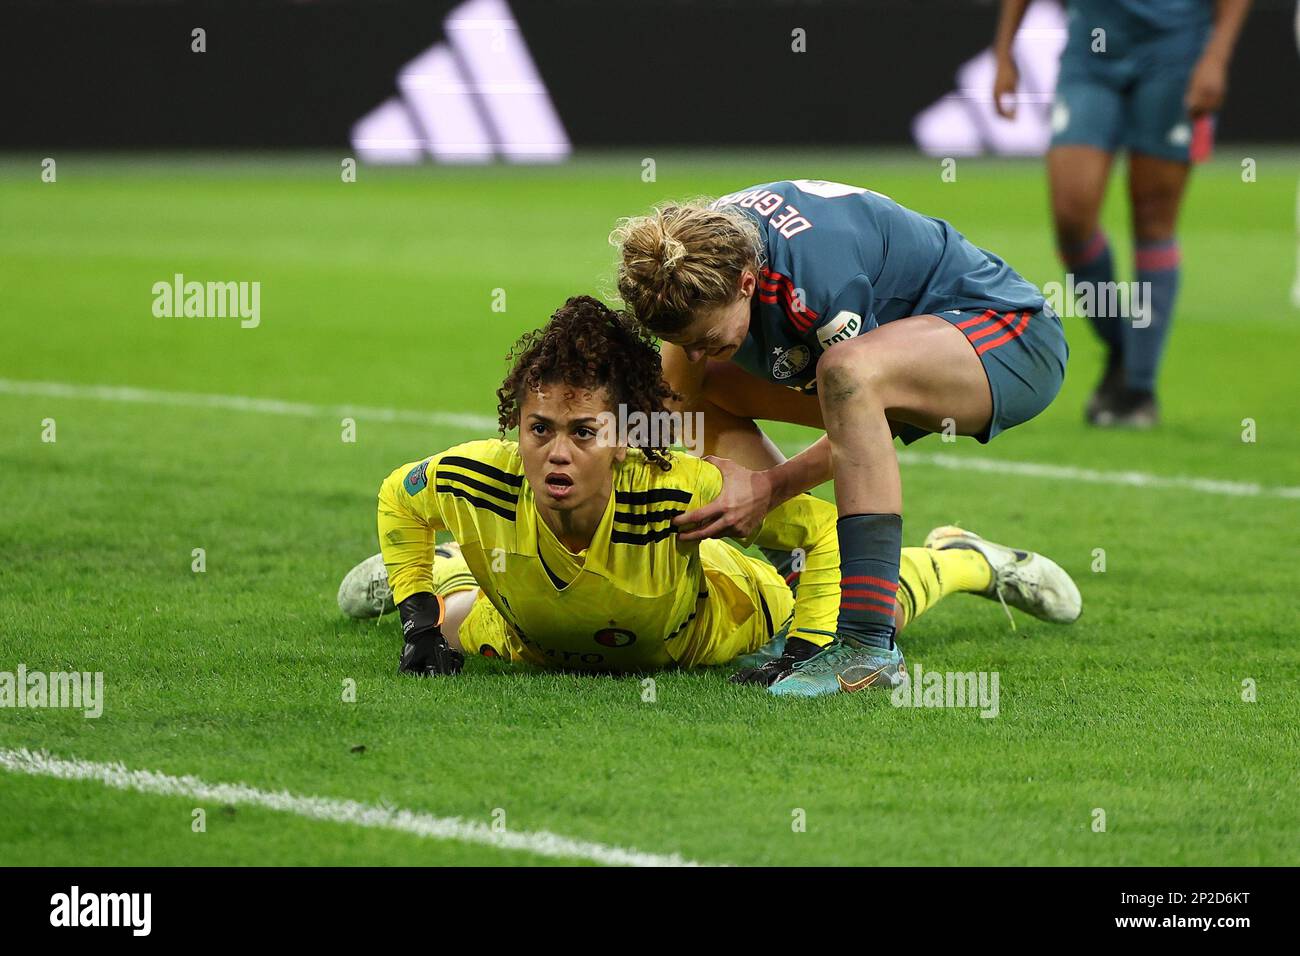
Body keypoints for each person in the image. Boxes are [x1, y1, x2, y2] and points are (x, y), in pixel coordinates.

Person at [339, 295, 1082, 695]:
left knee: (870, 600)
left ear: (626, 436)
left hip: (702, 628)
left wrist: (810, 648)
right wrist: (416, 618)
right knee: (457, 611)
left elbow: (824, 529)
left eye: (582, 432)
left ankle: (965, 559)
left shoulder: (676, 489)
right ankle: (433, 577)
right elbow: (399, 496)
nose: (555, 452)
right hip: (532, 637)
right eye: (538, 429)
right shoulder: (479, 474)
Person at [611, 179, 1070, 691]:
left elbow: (872, 418)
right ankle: (828, 577)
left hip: (1009, 338)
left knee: (846, 372)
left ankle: (867, 649)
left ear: (745, 283)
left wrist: (769, 488)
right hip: (904, 350)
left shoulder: (817, 280)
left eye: (705, 339)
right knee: (702, 393)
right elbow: (667, 404)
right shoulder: (694, 265)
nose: (694, 352)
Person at [993, 0, 1252, 426]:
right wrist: (1004, 51)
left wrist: (1217, 55)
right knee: (1071, 214)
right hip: (1091, 50)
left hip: (1176, 50)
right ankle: (1124, 347)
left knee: (1153, 216)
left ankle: (1137, 388)